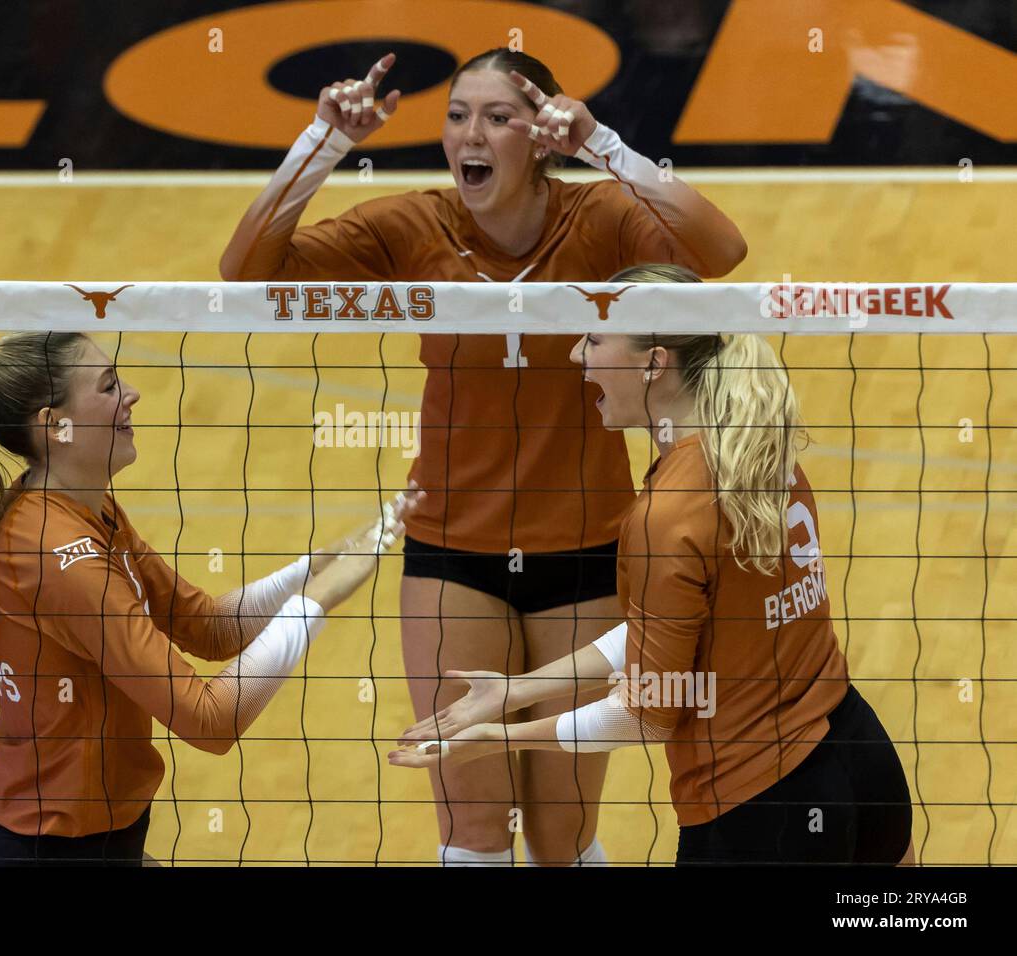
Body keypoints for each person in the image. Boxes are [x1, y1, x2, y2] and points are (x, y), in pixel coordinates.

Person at [220, 49, 747, 865]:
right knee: (473, 832)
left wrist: (601, 140)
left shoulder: (602, 220)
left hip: (588, 554)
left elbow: (720, 250)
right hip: (450, 556)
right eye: (458, 114)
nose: (471, 133)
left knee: (559, 837)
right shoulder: (415, 225)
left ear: (540, 137)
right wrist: (325, 138)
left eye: (497, 117)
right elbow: (246, 272)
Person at [391, 265, 914, 866]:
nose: (575, 354)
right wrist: (513, 691)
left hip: (759, 811)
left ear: (653, 362)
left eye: (593, 339)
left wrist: (497, 740)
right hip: (859, 758)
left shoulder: (664, 517)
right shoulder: (763, 454)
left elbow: (645, 715)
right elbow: (675, 627)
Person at [0, 331, 418, 865]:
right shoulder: (59, 557)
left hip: (100, 842)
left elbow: (206, 625)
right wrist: (317, 601)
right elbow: (210, 719)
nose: (131, 394)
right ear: (54, 425)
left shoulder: (88, 513)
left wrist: (318, 566)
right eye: (109, 386)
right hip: (57, 851)